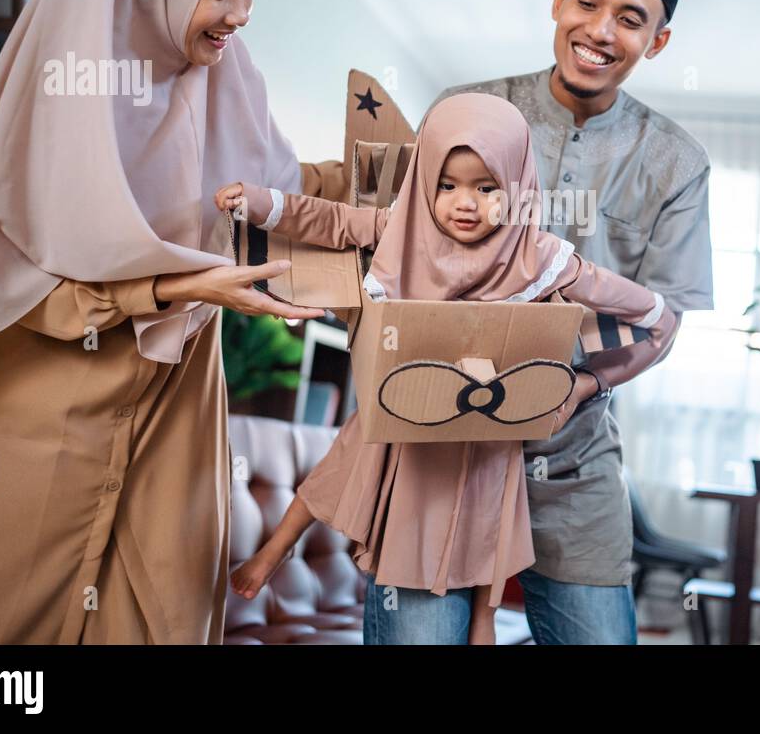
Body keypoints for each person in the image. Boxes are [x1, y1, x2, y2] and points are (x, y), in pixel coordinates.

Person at [0, 0, 325, 643]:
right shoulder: (59, 98)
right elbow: (19, 289)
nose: (237, 16)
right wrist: (171, 286)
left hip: (176, 433)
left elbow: (292, 199)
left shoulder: (232, 89)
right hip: (43, 426)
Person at [219, 92, 678, 644]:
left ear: (517, 185)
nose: (464, 203)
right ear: (424, 181)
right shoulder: (403, 229)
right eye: (447, 184)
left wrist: (589, 381)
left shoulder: (541, 258)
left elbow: (656, 320)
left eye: (487, 189)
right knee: (351, 449)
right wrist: (260, 202)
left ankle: (484, 620)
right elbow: (332, 221)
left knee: (492, 506)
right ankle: (276, 548)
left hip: (489, 428)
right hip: (405, 421)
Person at [431, 0, 714, 643]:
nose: (599, 29)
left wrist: (579, 389)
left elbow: (666, 319)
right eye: (587, 1)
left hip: (574, 468)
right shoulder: (465, 111)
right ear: (558, 0)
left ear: (658, 42)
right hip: (435, 453)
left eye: (631, 18)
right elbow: (396, 258)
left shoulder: (678, 165)